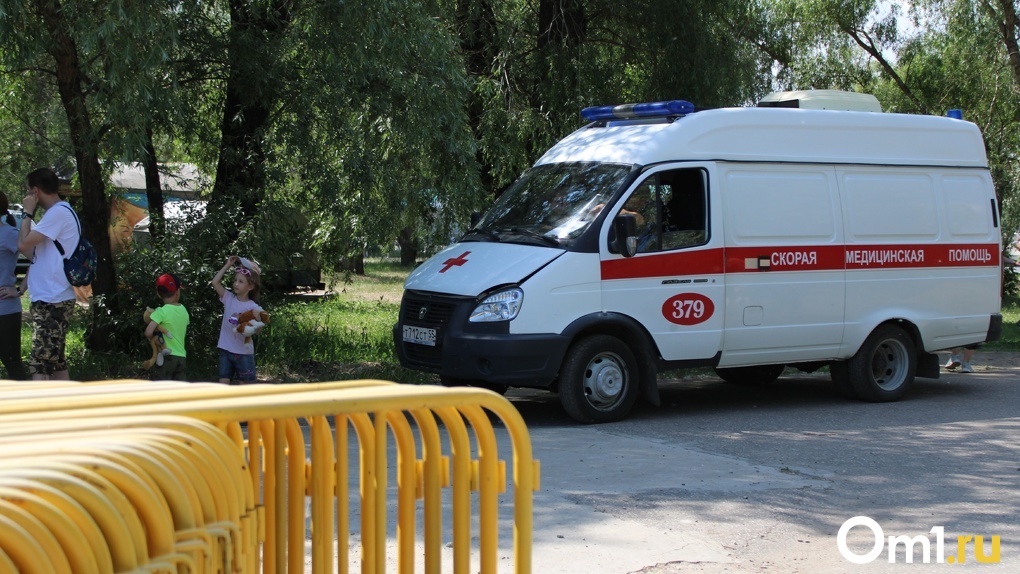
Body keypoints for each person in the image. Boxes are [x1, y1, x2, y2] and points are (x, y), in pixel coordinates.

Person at [17, 167, 78, 380]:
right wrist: (20, 289)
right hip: (52, 296)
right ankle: (68, 409)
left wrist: (27, 213)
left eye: (28, 192)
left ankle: (41, 411)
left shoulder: (58, 213)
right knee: (56, 360)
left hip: (52, 299)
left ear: (36, 191)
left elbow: (23, 244)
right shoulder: (59, 212)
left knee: (39, 362)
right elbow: (36, 255)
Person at [212, 255, 265, 384]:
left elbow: (258, 332)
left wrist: (257, 322)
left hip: (244, 354)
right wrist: (227, 265)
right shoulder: (228, 298)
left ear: (250, 287)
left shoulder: (253, 307)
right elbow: (215, 283)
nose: (236, 284)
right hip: (225, 349)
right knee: (222, 386)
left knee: (245, 388)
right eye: (235, 280)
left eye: (241, 281)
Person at [0, 194, 26, 380]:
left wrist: (19, 290)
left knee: (13, 364)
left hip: (4, 311)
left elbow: (38, 258)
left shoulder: (9, 234)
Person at [145, 273, 189, 381]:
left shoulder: (161, 312)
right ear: (177, 292)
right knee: (178, 392)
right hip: (181, 357)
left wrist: (152, 339)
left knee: (162, 390)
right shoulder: (184, 311)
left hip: (166, 357)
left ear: (159, 294)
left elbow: (148, 332)